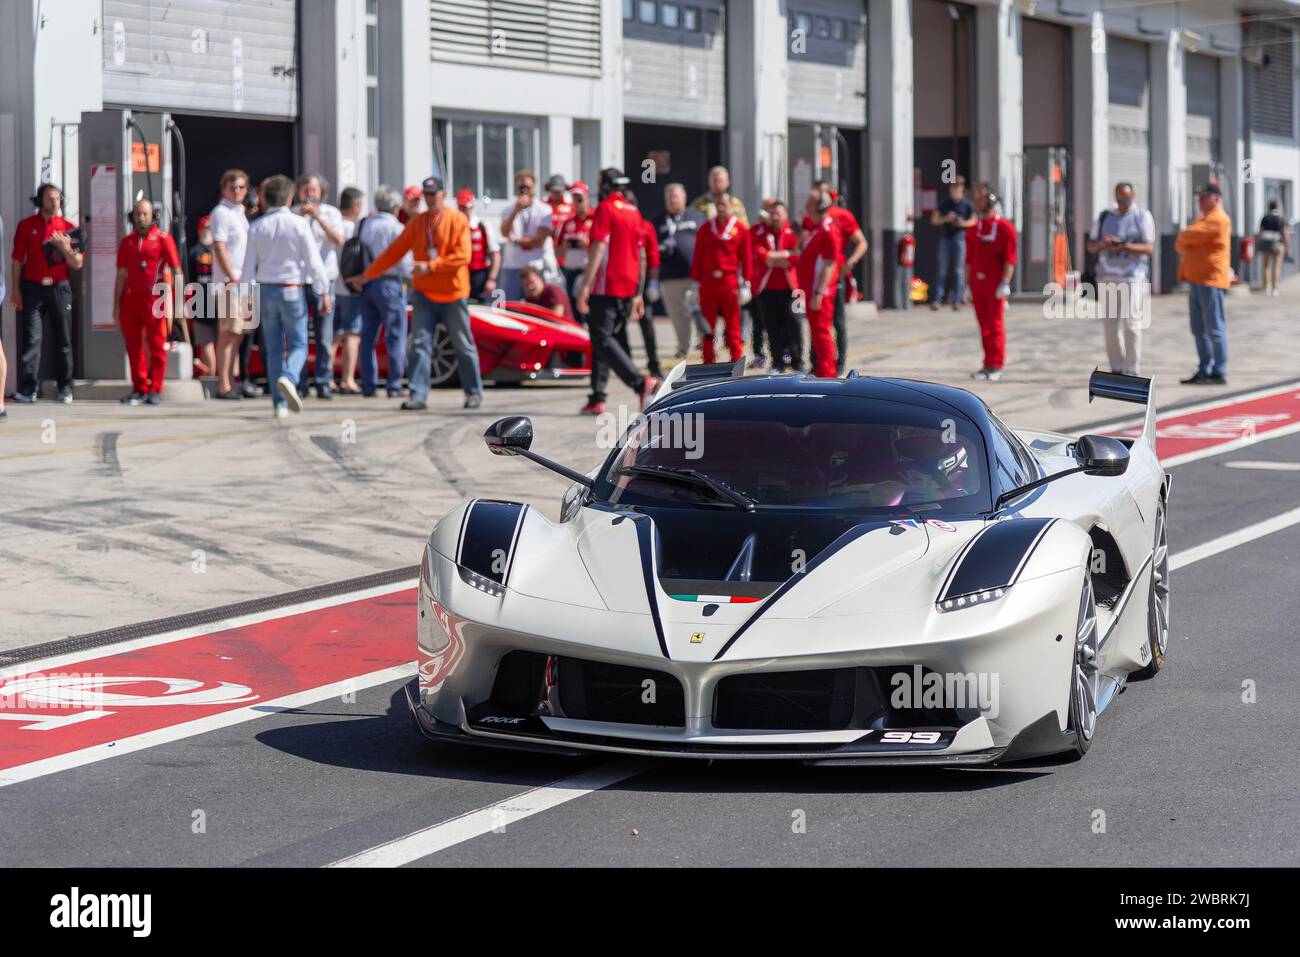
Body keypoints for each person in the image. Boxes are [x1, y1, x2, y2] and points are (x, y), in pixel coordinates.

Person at [356, 176, 483, 410]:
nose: (430, 198)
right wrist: (369, 275)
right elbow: (393, 252)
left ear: (443, 194)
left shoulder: (457, 220)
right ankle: (418, 395)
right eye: (426, 194)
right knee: (419, 345)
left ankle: (473, 392)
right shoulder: (418, 223)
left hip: (453, 294)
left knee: (463, 344)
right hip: (424, 293)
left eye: (434, 194)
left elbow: (463, 256)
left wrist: (432, 266)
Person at [239, 175, 330, 418]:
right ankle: (289, 377)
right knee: (299, 343)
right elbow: (314, 262)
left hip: (266, 288)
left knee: (274, 348)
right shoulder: (299, 224)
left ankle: (279, 404)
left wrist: (243, 299)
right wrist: (323, 291)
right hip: (292, 287)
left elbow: (248, 267)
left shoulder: (257, 226)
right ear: (290, 198)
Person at [575, 167, 660, 416]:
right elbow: (641, 256)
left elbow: (598, 249)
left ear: (605, 186)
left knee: (601, 337)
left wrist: (585, 287)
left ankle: (640, 383)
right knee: (604, 339)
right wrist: (638, 293)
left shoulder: (605, 208)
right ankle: (597, 397)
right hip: (628, 286)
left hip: (606, 284)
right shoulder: (635, 212)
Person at [10, 183, 82, 403]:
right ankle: (29, 388)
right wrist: (15, 290)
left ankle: (65, 388)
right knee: (32, 338)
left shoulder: (69, 227)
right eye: (50, 198)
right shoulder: (25, 226)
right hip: (32, 287)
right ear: (40, 200)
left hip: (59, 288)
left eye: (58, 198)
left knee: (63, 339)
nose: (55, 202)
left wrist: (65, 248)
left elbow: (77, 263)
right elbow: (17, 260)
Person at [345, 185, 410, 398]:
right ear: (394, 206)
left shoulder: (364, 224)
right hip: (390, 283)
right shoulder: (397, 228)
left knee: (368, 336)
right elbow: (404, 263)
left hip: (366, 283)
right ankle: (394, 385)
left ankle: (368, 384)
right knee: (395, 335)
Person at [113, 198, 180, 405]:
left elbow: (177, 270)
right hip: (131, 300)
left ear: (153, 216)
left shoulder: (163, 238)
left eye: (145, 213)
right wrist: (116, 305)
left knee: (157, 344)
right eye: (137, 213)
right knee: (133, 346)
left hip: (155, 298)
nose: (141, 217)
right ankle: (139, 387)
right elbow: (121, 274)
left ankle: (155, 388)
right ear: (132, 216)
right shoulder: (127, 242)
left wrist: (177, 305)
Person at [1085, 182, 1155, 377]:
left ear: (1133, 196)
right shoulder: (1105, 216)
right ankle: (1116, 367)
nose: (1123, 202)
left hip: (1132, 277)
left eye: (1127, 198)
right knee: (1110, 324)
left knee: (1132, 322)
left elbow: (1149, 248)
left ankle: (1131, 368)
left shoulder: (1142, 216)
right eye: (1120, 199)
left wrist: (1124, 246)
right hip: (1108, 276)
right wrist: (1103, 244)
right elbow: (1091, 246)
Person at [292, 173, 344, 399]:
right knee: (299, 333)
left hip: (325, 279)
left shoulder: (332, 212)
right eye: (306, 189)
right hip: (300, 279)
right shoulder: (292, 214)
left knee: (324, 334)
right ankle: (300, 382)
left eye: (314, 189)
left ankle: (323, 380)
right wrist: (301, 218)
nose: (310, 194)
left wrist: (319, 219)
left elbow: (339, 239)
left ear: (321, 192)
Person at [1175, 183, 1232, 385]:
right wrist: (1186, 236)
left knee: (1214, 327)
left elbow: (1187, 236)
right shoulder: (1203, 219)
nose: (1200, 201)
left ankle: (1218, 370)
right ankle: (1204, 368)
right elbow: (1181, 241)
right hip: (1197, 280)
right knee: (1198, 328)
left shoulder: (1218, 219)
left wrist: (1186, 235)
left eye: (1204, 197)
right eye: (1199, 197)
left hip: (1211, 281)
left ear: (1216, 198)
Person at [811, 179, 868, 374]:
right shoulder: (811, 217)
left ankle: (840, 364)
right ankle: (817, 363)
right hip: (815, 275)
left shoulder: (842, 216)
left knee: (838, 322)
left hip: (835, 274)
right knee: (817, 322)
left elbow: (861, 242)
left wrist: (850, 262)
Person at [690, 192, 751, 364]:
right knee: (708, 324)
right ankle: (708, 360)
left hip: (729, 281)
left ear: (730, 205)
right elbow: (698, 257)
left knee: (732, 324)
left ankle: (736, 359)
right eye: (718, 204)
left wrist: (746, 283)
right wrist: (695, 283)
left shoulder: (740, 229)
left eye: (724, 204)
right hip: (708, 282)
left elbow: (746, 259)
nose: (721, 207)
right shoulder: (705, 229)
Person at [965, 184, 1017, 381]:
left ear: (992, 201)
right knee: (983, 325)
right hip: (978, 284)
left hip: (995, 284)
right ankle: (986, 364)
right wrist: (967, 284)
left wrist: (1005, 282)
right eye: (977, 199)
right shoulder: (973, 230)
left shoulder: (1005, 228)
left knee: (995, 325)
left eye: (982, 199)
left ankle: (996, 364)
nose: (978, 203)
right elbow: (968, 259)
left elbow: (1009, 259)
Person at [209, 169, 251, 400]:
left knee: (238, 334)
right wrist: (231, 277)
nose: (237, 191)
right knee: (228, 333)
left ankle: (231, 380)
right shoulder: (221, 212)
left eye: (242, 187)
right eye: (233, 187)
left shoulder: (239, 213)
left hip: (242, 282)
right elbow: (219, 245)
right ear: (224, 188)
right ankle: (223, 383)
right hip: (230, 282)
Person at [652, 183, 706, 358]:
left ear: (684, 198)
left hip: (694, 276)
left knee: (699, 310)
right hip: (669, 277)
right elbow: (651, 251)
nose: (672, 200)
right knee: (677, 315)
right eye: (669, 197)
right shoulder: (658, 220)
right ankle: (683, 347)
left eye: (675, 196)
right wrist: (653, 280)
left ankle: (705, 345)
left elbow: (707, 244)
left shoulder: (697, 216)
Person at [795, 189, 842, 378]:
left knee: (822, 334)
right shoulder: (818, 229)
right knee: (817, 334)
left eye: (810, 203)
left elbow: (830, 264)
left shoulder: (829, 231)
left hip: (820, 292)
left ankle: (828, 373)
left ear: (818, 206)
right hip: (812, 290)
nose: (806, 207)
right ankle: (823, 371)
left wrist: (819, 292)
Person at [751, 200, 801, 372]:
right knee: (771, 326)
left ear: (785, 215)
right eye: (772, 213)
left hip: (792, 288)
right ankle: (777, 361)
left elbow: (797, 255)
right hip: (767, 288)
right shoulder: (760, 231)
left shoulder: (793, 231)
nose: (775, 217)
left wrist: (778, 257)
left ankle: (797, 360)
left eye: (778, 213)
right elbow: (761, 255)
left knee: (794, 324)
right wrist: (783, 257)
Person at [499, 169, 555, 300]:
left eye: (527, 187)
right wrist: (515, 211)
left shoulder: (544, 209)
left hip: (534, 266)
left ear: (534, 188)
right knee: (511, 307)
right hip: (512, 266)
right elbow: (504, 232)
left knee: (535, 307)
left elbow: (539, 240)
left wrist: (517, 241)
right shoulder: (508, 210)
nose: (524, 190)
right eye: (521, 187)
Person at [333, 186, 365, 393]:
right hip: (350, 288)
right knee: (352, 335)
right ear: (355, 206)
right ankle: (348, 379)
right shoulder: (353, 229)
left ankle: (326, 379)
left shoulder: (332, 225)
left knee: (333, 336)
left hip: (331, 288)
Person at [930, 175, 976, 311]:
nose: (955, 190)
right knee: (942, 270)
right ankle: (938, 300)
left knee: (958, 270)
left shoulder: (967, 204)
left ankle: (957, 300)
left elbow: (974, 221)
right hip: (945, 238)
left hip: (960, 238)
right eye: (953, 187)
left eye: (958, 187)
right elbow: (934, 220)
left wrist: (962, 223)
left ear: (962, 188)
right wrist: (945, 219)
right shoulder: (945, 203)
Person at [458, 189, 500, 304]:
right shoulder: (454, 226)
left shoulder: (482, 225)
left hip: (479, 274)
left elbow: (495, 254)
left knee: (480, 305)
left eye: (465, 208)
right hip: (460, 274)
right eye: (460, 207)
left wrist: (491, 279)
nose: (462, 211)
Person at [188, 215, 218, 377]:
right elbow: (189, 280)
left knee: (220, 343)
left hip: (216, 298)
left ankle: (218, 379)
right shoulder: (194, 252)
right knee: (208, 343)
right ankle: (213, 378)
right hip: (201, 300)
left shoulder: (219, 249)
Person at [557, 182, 594, 304]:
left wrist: (587, 244)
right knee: (573, 308)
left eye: (580, 199)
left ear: (587, 198)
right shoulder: (567, 223)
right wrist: (566, 247)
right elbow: (557, 253)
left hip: (589, 271)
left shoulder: (596, 219)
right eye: (574, 199)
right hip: (571, 271)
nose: (577, 203)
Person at [1255, 199, 1289, 297]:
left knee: (1266, 266)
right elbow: (1285, 233)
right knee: (1276, 267)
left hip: (1266, 244)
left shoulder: (1265, 218)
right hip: (1278, 244)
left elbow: (1259, 232)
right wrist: (1287, 245)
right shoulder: (1280, 219)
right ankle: (1275, 288)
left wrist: (1257, 244)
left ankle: (1267, 287)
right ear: (1277, 207)